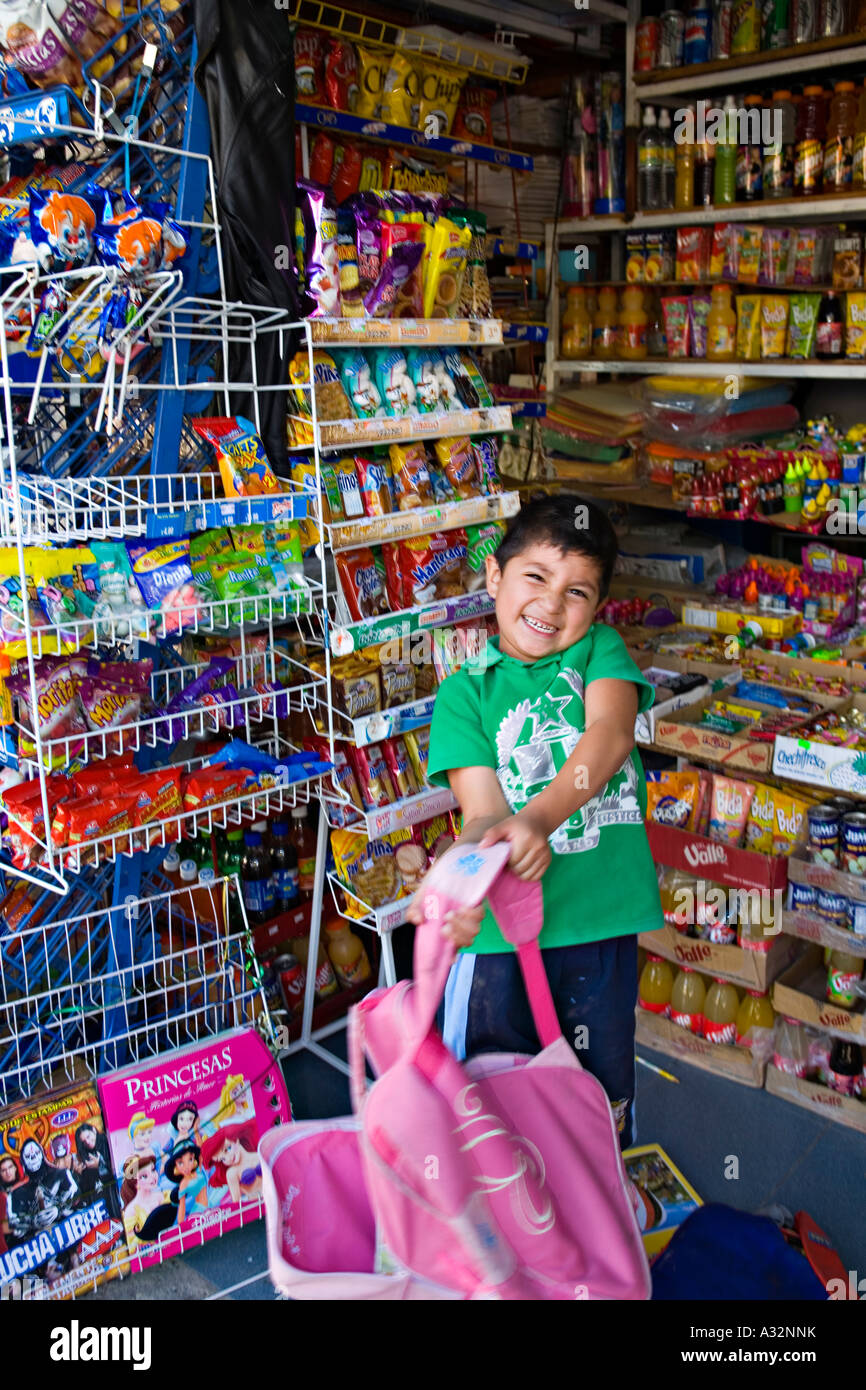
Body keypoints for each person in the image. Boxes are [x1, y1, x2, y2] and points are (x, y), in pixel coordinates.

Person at [413, 493, 663, 1147]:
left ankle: (595, 1232)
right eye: (536, 576)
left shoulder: (600, 654)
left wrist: (541, 820)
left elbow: (608, 740)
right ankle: (516, 1239)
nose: (552, 605)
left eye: (577, 592)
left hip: (599, 926)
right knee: (497, 1114)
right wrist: (459, 881)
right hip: (502, 944)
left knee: (598, 1106)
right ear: (495, 576)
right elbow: (483, 816)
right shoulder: (464, 694)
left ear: (598, 608)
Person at [200, 1122, 261, 1205]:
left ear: (236, 1140)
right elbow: (237, 1203)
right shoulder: (232, 1173)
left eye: (227, 1149)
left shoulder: (259, 1154)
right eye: (222, 1159)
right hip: (256, 1206)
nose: (229, 1158)